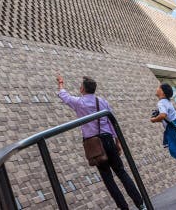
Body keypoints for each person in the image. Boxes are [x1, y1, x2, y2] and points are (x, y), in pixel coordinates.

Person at [57, 74, 145, 210]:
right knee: (121, 172)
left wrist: (61, 83)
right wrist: (117, 141)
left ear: (82, 89)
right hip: (108, 139)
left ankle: (124, 207)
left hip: (94, 144)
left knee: (108, 179)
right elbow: (112, 122)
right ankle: (140, 204)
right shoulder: (102, 102)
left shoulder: (80, 103)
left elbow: (64, 96)